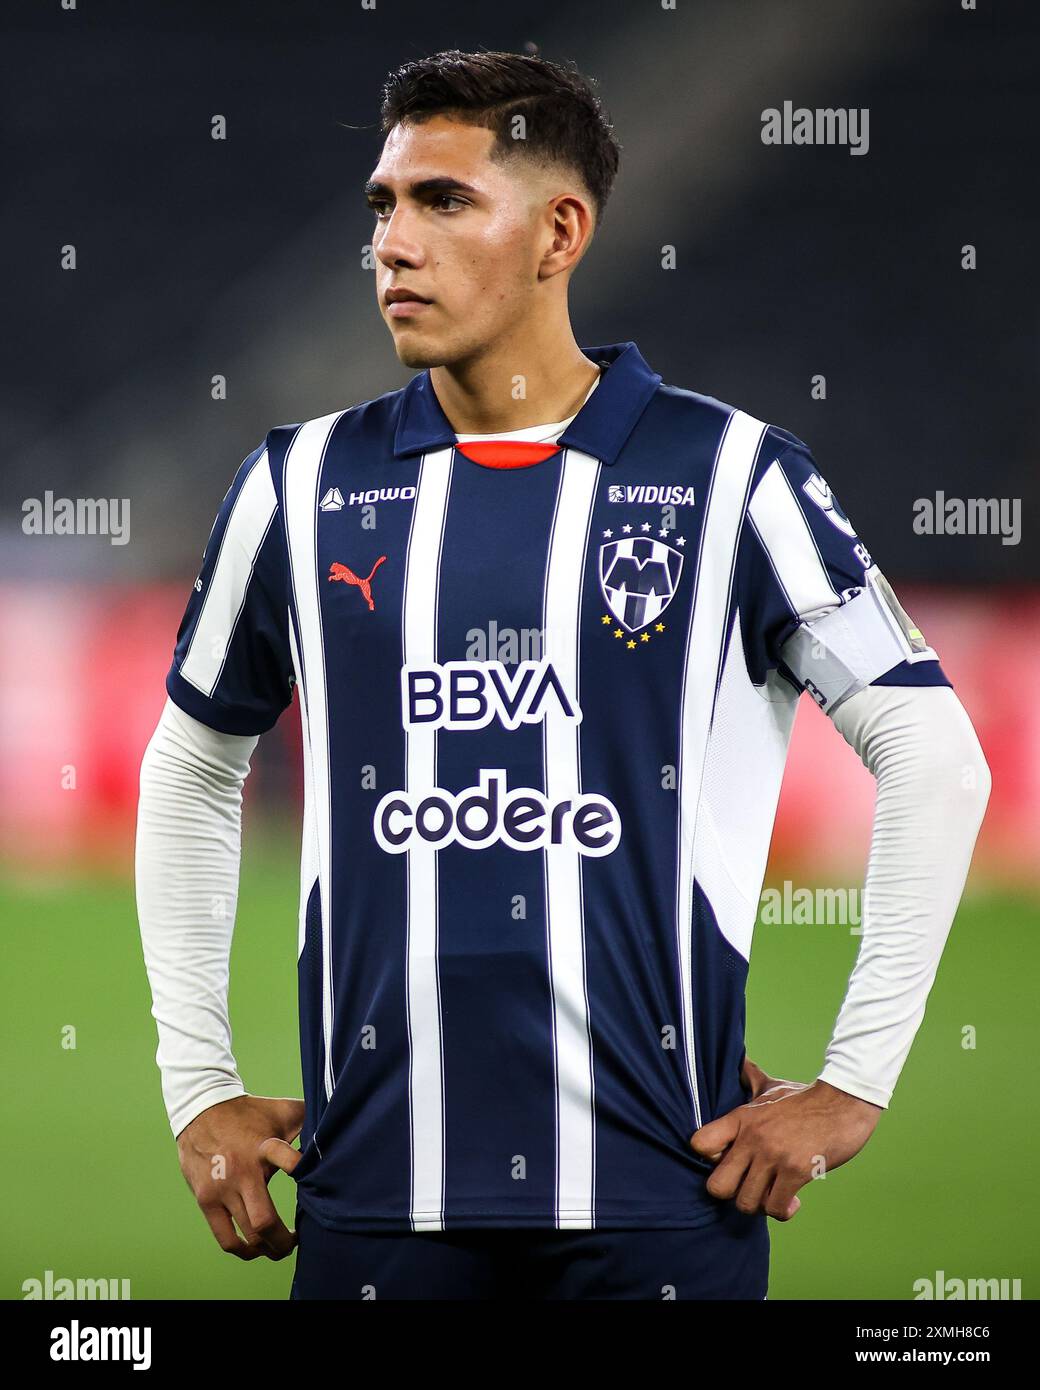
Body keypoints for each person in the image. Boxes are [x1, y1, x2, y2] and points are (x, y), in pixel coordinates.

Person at [136, 48, 990, 1300]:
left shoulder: (732, 475)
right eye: (382, 205)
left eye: (442, 201)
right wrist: (197, 1080)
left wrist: (854, 1078)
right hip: (374, 1197)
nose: (392, 243)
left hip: (657, 1200)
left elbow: (931, 752)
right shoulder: (300, 483)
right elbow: (194, 764)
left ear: (558, 231)